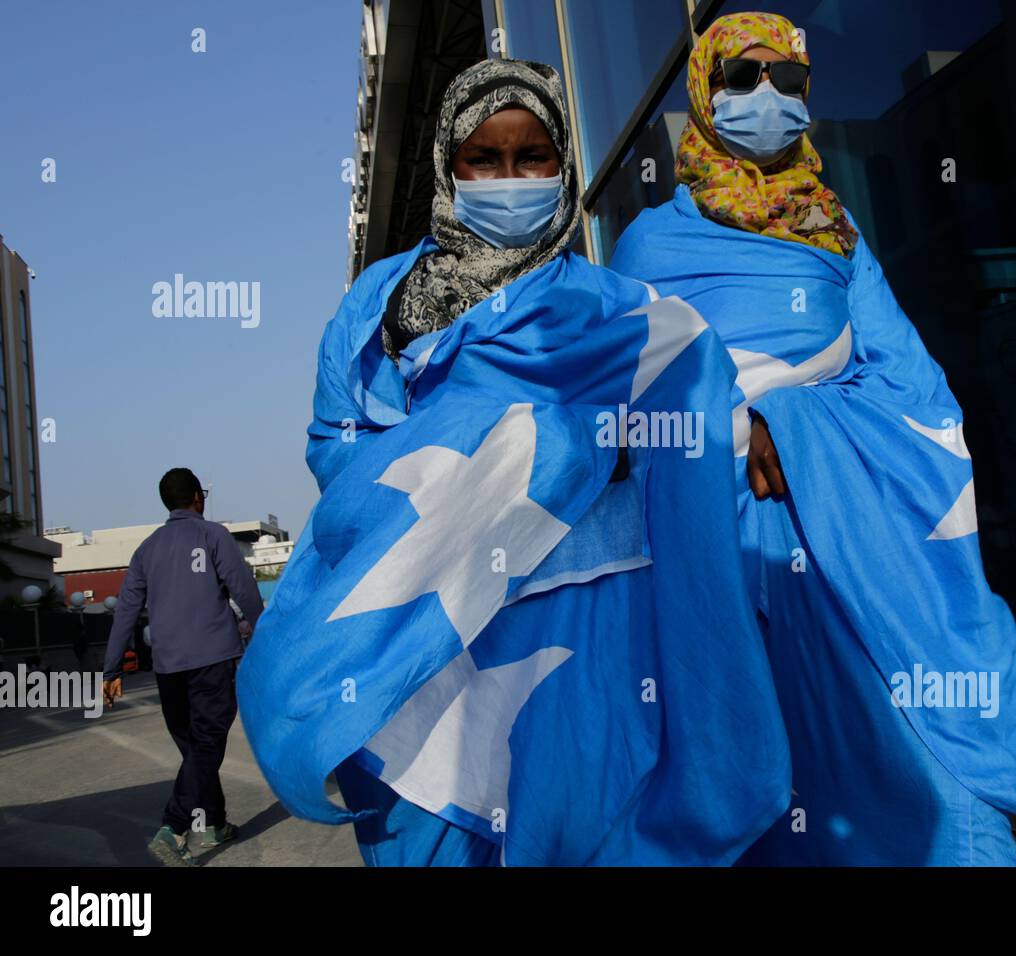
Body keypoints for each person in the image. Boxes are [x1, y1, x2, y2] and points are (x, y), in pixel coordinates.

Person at [237, 59, 790, 866]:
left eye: (532, 158)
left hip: (586, 616)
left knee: (577, 813)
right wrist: (505, 457)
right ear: (447, 167)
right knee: (433, 831)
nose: (509, 178)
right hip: (428, 627)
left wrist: (751, 425)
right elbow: (338, 444)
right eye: (484, 160)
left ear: (563, 165)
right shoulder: (378, 308)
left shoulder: (617, 307)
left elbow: (696, 403)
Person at [610, 12, 1016, 865]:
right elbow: (626, 407)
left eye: (786, 81)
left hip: (861, 540)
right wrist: (726, 435)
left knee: (927, 783)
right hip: (728, 556)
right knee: (769, 780)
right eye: (742, 79)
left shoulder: (835, 230)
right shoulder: (650, 245)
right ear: (703, 94)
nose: (767, 96)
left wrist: (791, 426)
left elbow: (910, 380)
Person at [102, 467, 264, 866]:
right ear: (197, 497)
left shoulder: (146, 549)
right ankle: (174, 828)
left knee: (196, 749)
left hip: (168, 666)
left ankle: (213, 824)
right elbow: (243, 588)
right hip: (212, 659)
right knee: (207, 745)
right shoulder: (213, 535)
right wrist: (265, 634)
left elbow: (125, 611)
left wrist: (111, 671)